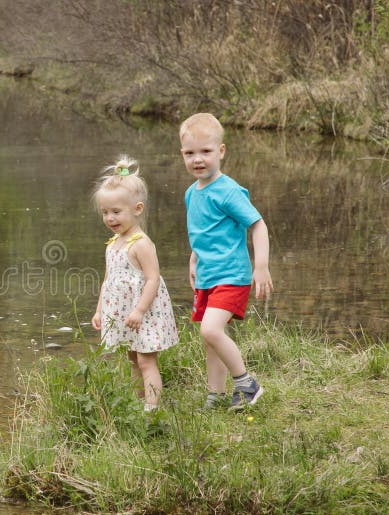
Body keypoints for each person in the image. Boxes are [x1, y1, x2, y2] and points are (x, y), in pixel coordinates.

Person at [179, 112, 274, 411]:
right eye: (190, 153)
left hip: (232, 275)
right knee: (211, 339)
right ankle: (215, 395)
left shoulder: (228, 191)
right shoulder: (191, 194)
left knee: (211, 330)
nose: (198, 159)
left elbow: (258, 224)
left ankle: (247, 384)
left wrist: (261, 266)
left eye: (205, 152)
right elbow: (203, 233)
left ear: (220, 152)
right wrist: (194, 259)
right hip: (208, 274)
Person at [92, 155, 179, 412]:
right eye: (105, 213)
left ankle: (152, 409)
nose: (110, 218)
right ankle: (138, 401)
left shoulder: (140, 243)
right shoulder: (113, 243)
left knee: (145, 361)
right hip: (124, 313)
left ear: (137, 209)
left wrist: (140, 310)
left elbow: (153, 278)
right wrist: (100, 310)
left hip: (144, 313)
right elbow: (108, 280)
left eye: (116, 212)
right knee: (132, 359)